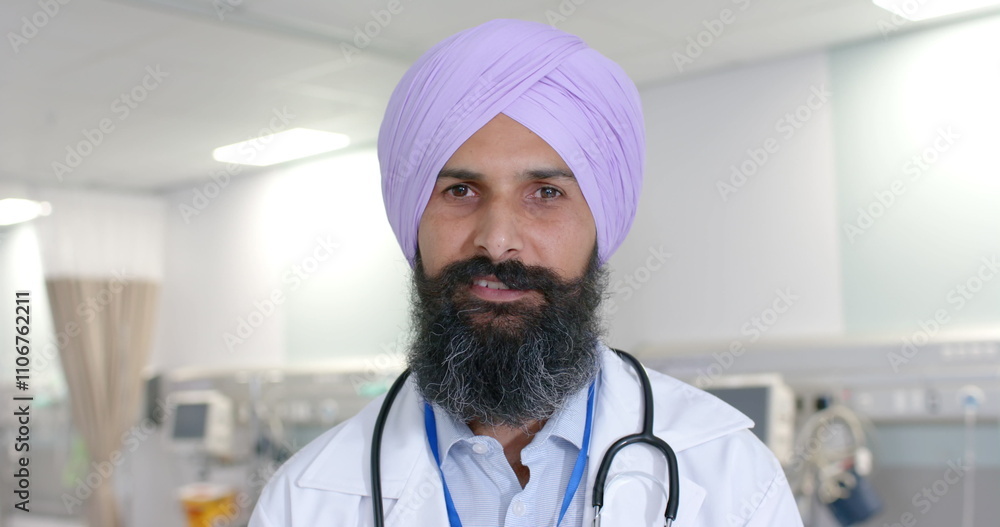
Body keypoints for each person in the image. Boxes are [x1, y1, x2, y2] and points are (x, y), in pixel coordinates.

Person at [249, 18, 803, 527]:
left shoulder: (729, 474)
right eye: (460, 190)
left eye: (545, 193)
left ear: (601, 223)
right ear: (413, 218)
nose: (497, 240)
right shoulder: (305, 500)